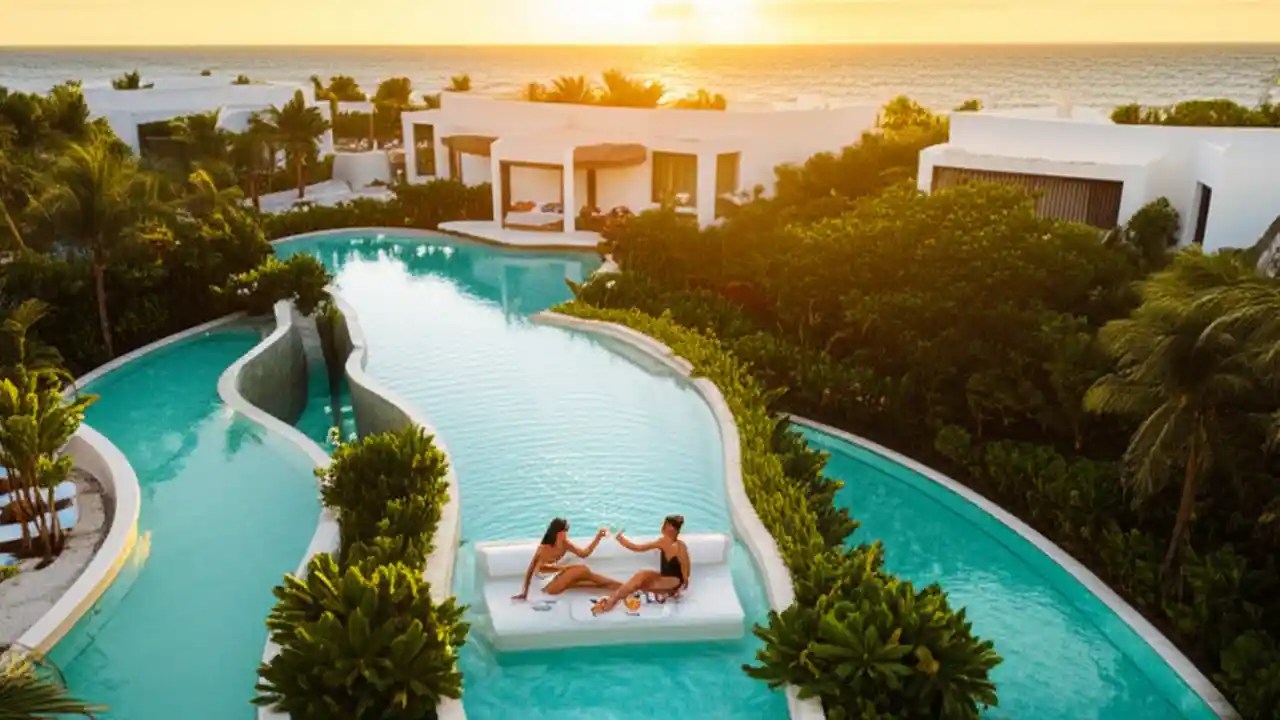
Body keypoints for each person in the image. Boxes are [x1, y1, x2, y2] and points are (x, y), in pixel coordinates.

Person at [592, 514, 689, 615]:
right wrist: (620, 539)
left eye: (665, 525)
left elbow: (685, 567)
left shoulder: (680, 547)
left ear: (671, 529)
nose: (662, 526)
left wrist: (683, 584)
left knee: (639, 584)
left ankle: (611, 602)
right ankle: (615, 598)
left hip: (674, 581)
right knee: (641, 576)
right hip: (665, 577)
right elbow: (638, 548)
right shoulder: (663, 542)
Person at [512, 517, 620, 601]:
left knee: (589, 582)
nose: (567, 533)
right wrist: (525, 593)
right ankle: (624, 587)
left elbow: (584, 554)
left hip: (556, 577)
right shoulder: (544, 548)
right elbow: (536, 569)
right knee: (583, 570)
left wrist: (598, 537)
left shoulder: (565, 543)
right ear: (558, 532)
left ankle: (624, 588)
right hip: (546, 583)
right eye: (565, 531)